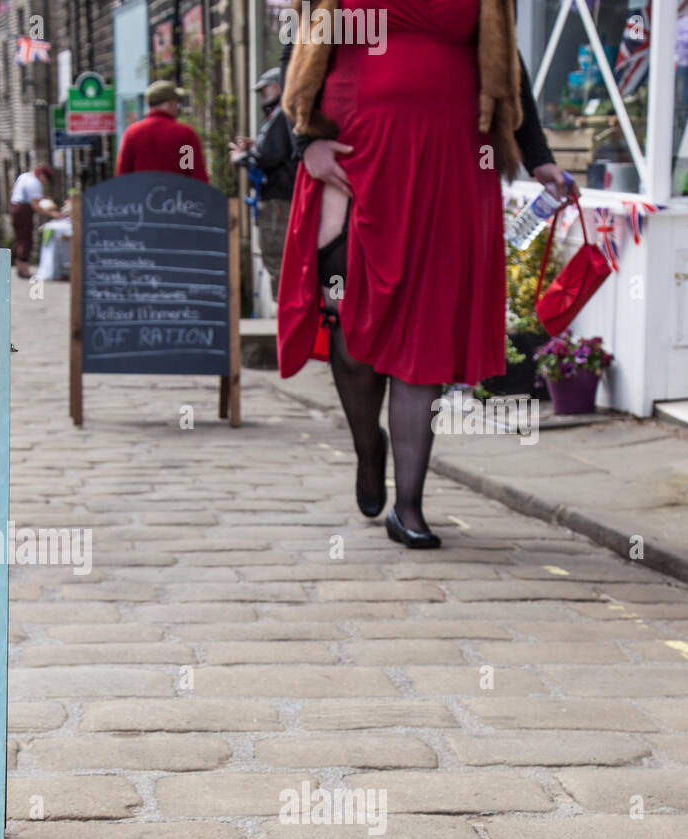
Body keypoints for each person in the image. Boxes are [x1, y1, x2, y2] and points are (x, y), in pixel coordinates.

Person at [277, 0, 576, 548]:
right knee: (351, 323)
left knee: (424, 329)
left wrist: (538, 156)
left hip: (452, 159)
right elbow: (297, 46)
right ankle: (370, 449)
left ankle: (408, 507)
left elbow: (507, 64)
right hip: (353, 154)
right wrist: (305, 143)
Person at [230, 67, 294, 295]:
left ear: (275, 87)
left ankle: (284, 314)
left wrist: (241, 157)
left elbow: (269, 157)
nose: (261, 96)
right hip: (282, 197)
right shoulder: (284, 114)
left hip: (278, 199)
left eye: (263, 90)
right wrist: (255, 145)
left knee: (277, 256)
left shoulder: (281, 114)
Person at [115, 79, 209, 183]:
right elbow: (196, 175)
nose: (177, 106)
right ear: (169, 104)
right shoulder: (185, 134)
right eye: (176, 102)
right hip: (177, 197)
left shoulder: (132, 133)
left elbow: (123, 175)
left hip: (141, 197)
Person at [9, 163, 53, 279]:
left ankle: (19, 266)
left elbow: (14, 190)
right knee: (26, 239)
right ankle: (24, 269)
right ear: (42, 175)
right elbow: (35, 204)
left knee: (19, 238)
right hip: (24, 209)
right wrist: (51, 213)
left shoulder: (24, 176)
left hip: (14, 206)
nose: (45, 182)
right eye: (46, 178)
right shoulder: (35, 183)